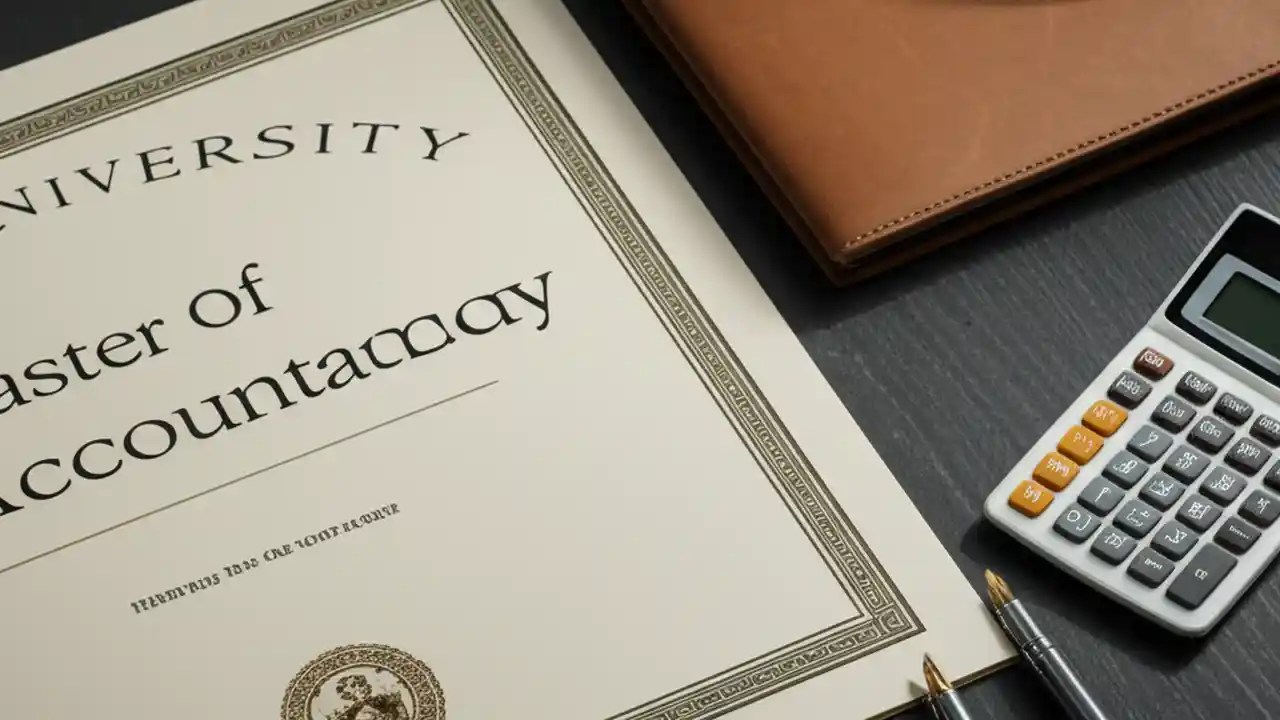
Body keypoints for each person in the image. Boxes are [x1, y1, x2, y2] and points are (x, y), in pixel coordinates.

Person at [330, 673, 410, 720]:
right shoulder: (351, 712)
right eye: (355, 689)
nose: (361, 689)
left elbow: (402, 715)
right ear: (349, 696)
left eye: (362, 684)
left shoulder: (383, 699)